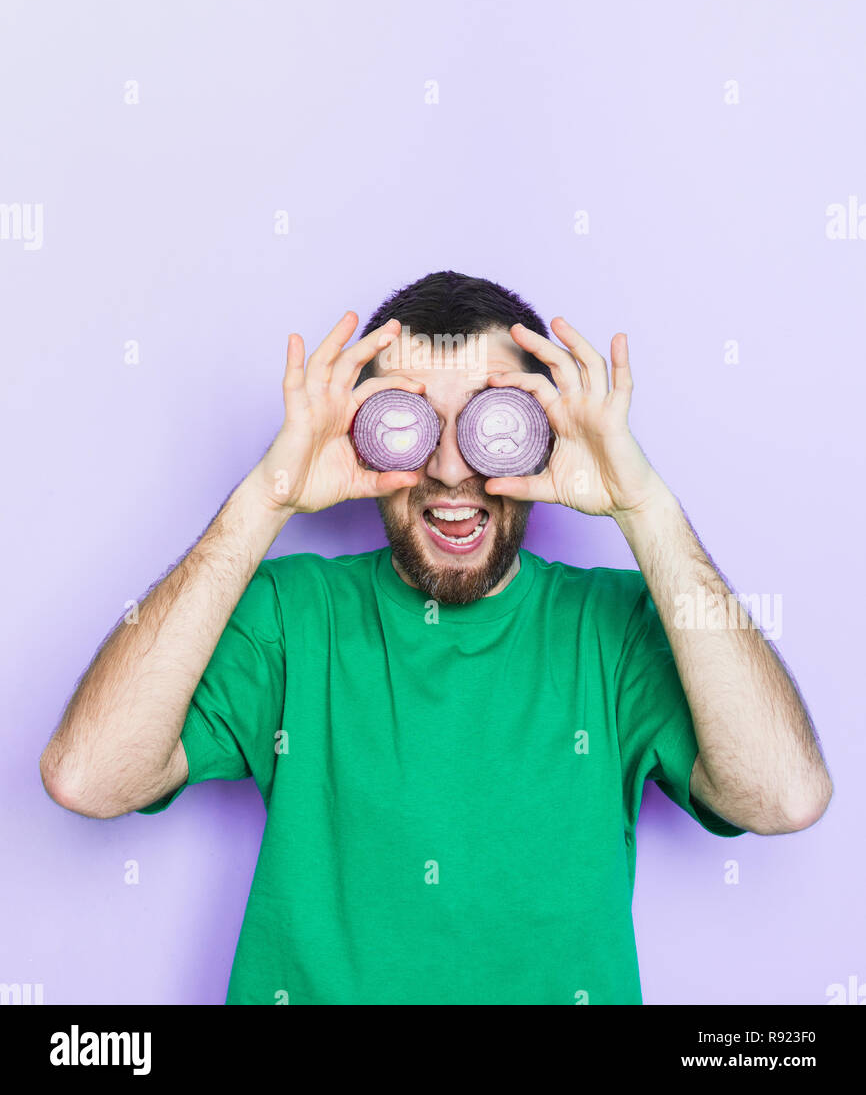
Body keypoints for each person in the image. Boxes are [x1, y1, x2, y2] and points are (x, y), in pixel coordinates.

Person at [39, 270, 833, 1005]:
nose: (452, 470)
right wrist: (266, 499)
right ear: (360, 433)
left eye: (495, 423)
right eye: (408, 423)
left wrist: (645, 506)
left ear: (549, 433)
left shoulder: (617, 628)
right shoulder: (292, 615)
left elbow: (784, 796)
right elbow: (88, 778)